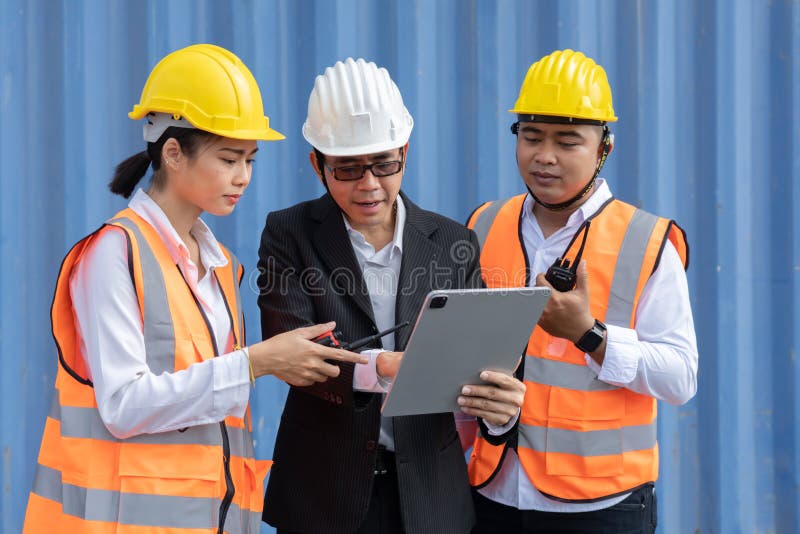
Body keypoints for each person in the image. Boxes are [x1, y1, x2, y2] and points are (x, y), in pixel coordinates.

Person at [22, 43, 366, 534]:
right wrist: (256, 362)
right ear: (173, 153)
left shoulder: (220, 266)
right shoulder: (114, 254)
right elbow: (123, 406)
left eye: (250, 159)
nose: (242, 177)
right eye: (228, 159)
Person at [257, 57, 525, 534]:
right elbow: (293, 355)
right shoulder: (289, 234)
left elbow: (482, 357)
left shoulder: (451, 240)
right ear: (316, 163)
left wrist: (500, 412)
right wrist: (381, 368)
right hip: (323, 497)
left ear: (405, 149)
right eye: (348, 169)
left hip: (430, 499)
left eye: (384, 164)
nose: (369, 185)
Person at [466, 49, 699, 533]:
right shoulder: (484, 224)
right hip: (491, 492)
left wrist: (590, 335)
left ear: (603, 148)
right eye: (531, 136)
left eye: (567, 141)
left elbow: (680, 378)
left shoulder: (647, 242)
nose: (544, 156)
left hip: (602, 506)